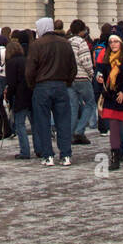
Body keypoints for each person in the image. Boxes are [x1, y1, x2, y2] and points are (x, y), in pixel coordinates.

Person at [26, 15, 77, 167]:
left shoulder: (36, 45)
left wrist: (32, 85)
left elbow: (30, 70)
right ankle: (66, 154)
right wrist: (67, 81)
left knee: (43, 122)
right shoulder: (65, 43)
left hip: (42, 86)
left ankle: (48, 155)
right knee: (63, 121)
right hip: (61, 85)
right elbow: (72, 67)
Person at [96, 34, 123, 170]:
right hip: (111, 96)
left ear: (121, 43)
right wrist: (99, 76)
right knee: (113, 128)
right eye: (111, 42)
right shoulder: (105, 58)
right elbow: (100, 70)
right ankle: (115, 157)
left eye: (116, 41)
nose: (113, 44)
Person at [67, 20, 97, 144]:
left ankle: (70, 134)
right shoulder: (81, 43)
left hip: (70, 78)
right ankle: (79, 131)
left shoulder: (67, 43)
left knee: (73, 107)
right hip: (82, 77)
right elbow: (85, 61)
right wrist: (91, 73)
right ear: (82, 31)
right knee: (90, 104)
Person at [3, 36, 33, 159]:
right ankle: (40, 149)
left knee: (20, 124)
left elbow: (12, 83)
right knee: (35, 124)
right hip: (31, 94)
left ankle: (25, 151)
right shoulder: (27, 60)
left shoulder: (10, 63)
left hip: (20, 97)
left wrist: (8, 97)